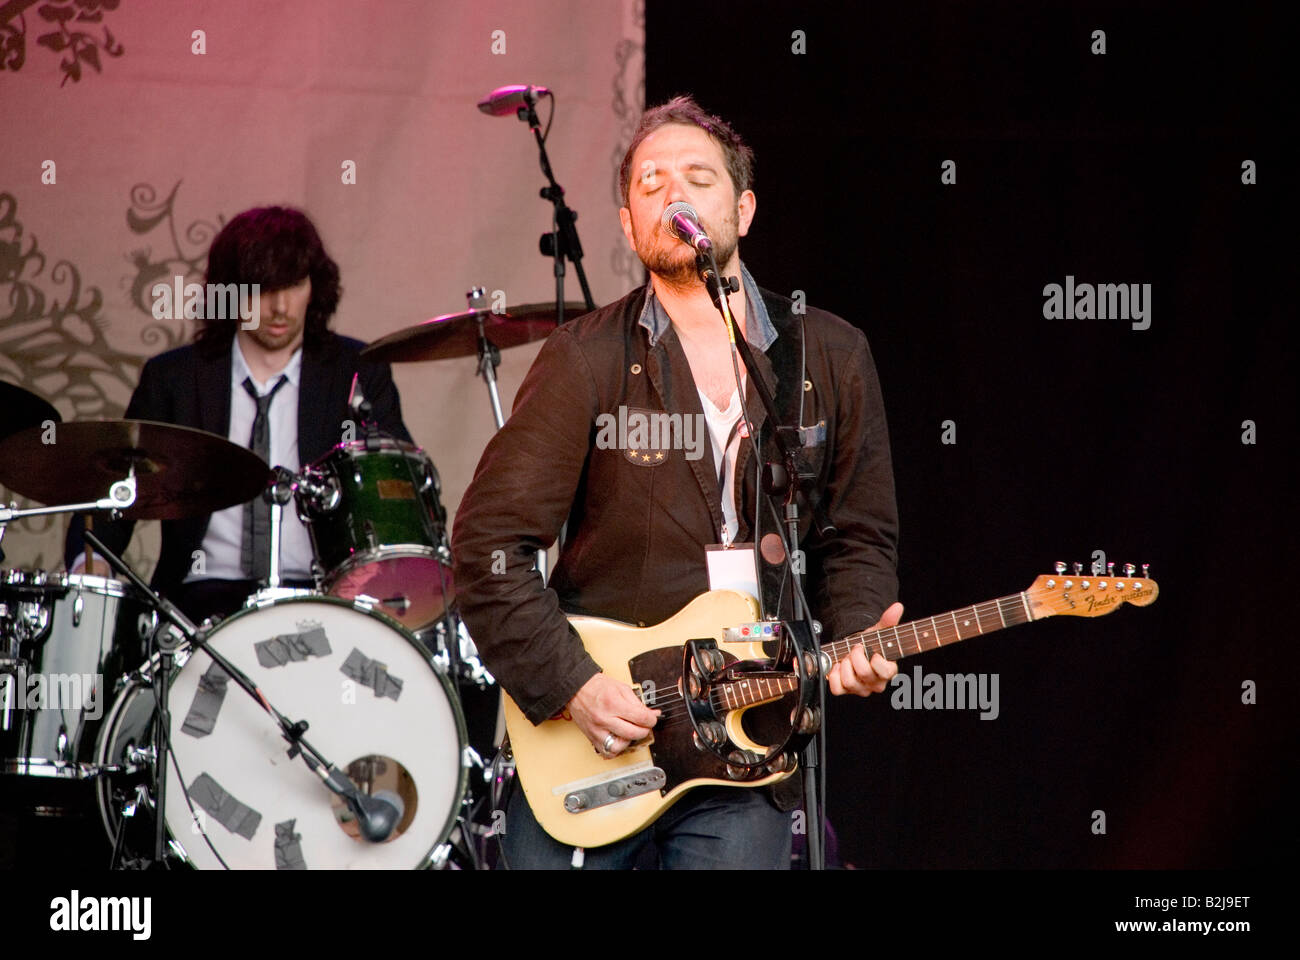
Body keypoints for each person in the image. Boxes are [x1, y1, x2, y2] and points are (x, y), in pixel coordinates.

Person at [452, 96, 903, 869]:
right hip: (599, 734)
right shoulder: (585, 358)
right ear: (629, 227)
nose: (674, 193)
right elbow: (487, 546)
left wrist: (859, 630)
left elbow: (858, 535)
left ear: (744, 210)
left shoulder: (829, 355)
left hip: (750, 731)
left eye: (698, 177)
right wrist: (573, 685)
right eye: (650, 183)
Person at [65, 206, 410, 624]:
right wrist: (91, 567)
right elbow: (118, 489)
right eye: (262, 289)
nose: (280, 307)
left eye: (294, 285)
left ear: (314, 287)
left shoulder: (357, 370)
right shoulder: (174, 378)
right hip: (198, 598)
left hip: (321, 594)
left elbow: (395, 484)